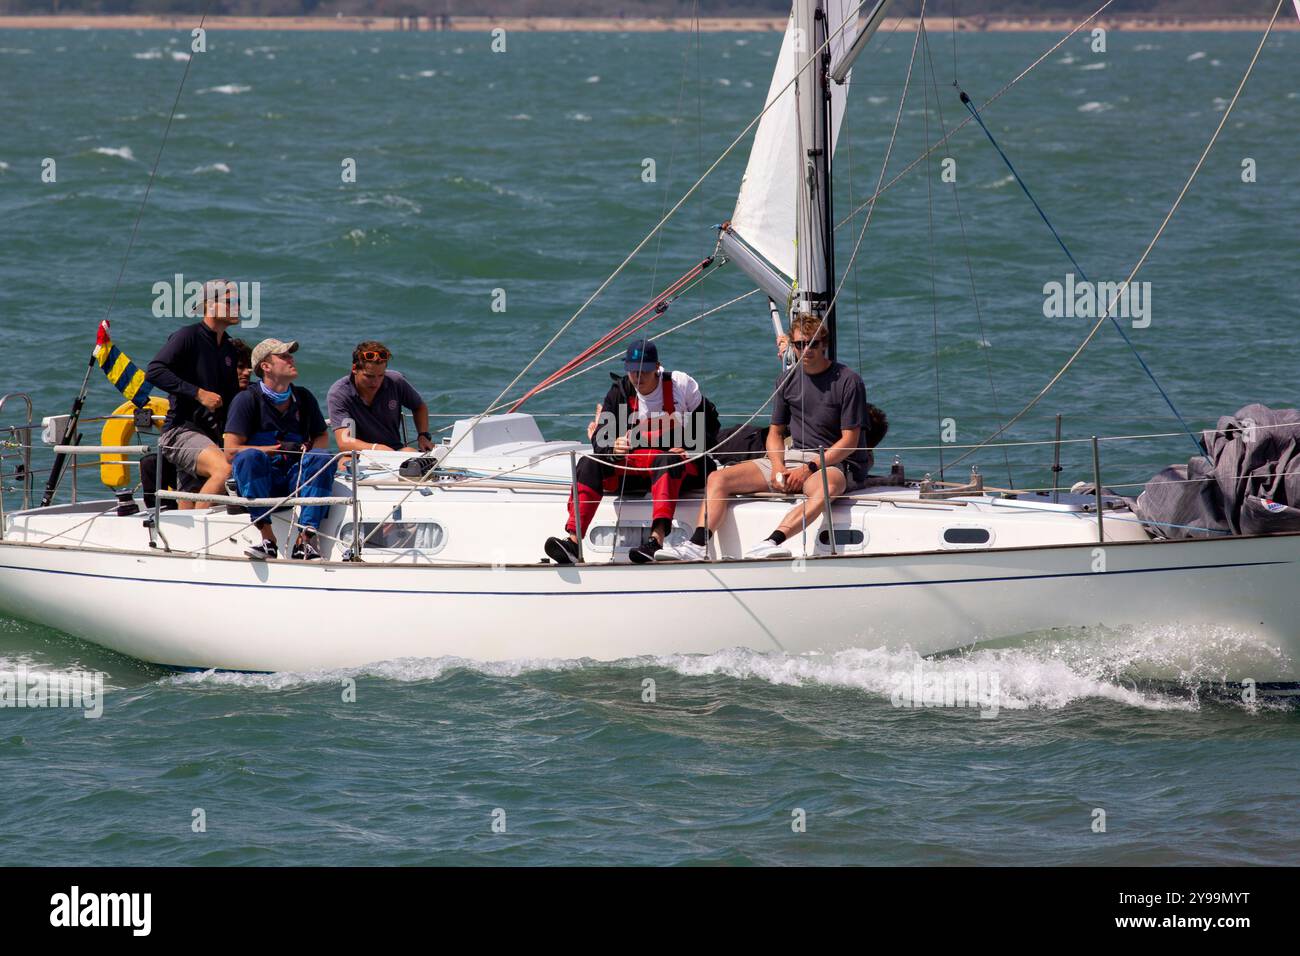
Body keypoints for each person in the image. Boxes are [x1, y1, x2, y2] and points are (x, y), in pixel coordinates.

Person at [658, 312, 871, 561]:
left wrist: (809, 468)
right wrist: (778, 467)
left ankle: (773, 541)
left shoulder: (848, 381)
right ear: (792, 344)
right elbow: (775, 433)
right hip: (793, 457)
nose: (807, 350)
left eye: (813, 343)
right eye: (800, 344)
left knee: (826, 487)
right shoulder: (786, 380)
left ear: (824, 344)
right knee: (718, 478)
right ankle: (697, 544)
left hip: (832, 462)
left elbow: (849, 441)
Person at [544, 338, 719, 565]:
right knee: (589, 463)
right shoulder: (619, 392)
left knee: (665, 459)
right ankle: (573, 542)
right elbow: (600, 439)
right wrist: (612, 448)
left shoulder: (681, 385)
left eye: (645, 371)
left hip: (677, 468)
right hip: (634, 471)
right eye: (633, 371)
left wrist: (690, 446)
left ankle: (654, 542)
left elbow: (711, 426)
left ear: (657, 367)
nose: (638, 377)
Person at [223, 339, 337, 560]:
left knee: (322, 456)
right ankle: (268, 538)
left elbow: (322, 435)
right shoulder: (246, 400)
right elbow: (231, 451)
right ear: (265, 367)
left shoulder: (303, 397)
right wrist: (273, 449)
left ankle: (305, 541)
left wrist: (308, 451)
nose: (291, 359)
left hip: (296, 477)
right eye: (284, 356)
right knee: (249, 457)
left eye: (290, 355)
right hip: (264, 478)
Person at [145, 279, 241, 509]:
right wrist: (198, 393)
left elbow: (233, 398)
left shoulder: (229, 348)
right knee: (223, 470)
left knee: (191, 496)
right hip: (181, 431)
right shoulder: (187, 336)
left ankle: (186, 541)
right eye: (230, 302)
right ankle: (199, 533)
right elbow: (155, 371)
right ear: (209, 305)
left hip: (211, 435)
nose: (237, 308)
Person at [327, 341, 433, 454]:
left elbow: (419, 407)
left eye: (381, 375)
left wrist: (423, 435)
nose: (375, 382)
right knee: (342, 465)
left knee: (413, 455)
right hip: (356, 454)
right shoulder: (339, 393)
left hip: (394, 450)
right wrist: (375, 448)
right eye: (369, 376)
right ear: (354, 369)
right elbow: (344, 442)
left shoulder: (396, 381)